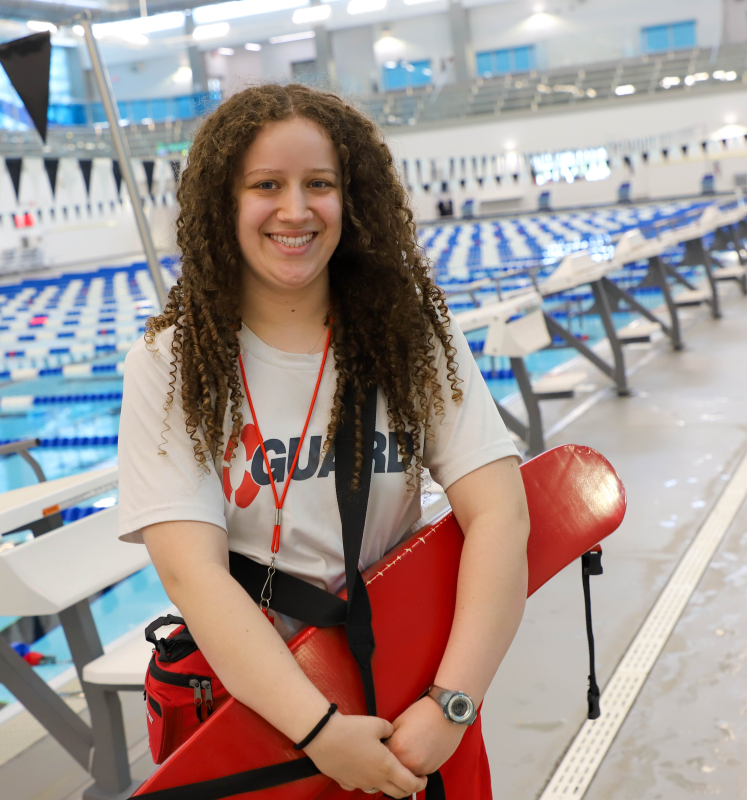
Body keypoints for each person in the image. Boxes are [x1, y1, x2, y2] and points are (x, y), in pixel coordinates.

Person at [118, 84, 530, 798]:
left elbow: (501, 515)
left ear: (353, 199)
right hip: (266, 706)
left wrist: (453, 703)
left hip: (415, 695)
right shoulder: (171, 366)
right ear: (225, 203)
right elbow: (193, 575)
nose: (295, 210)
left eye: (319, 184)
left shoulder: (413, 340)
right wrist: (317, 731)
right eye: (265, 185)